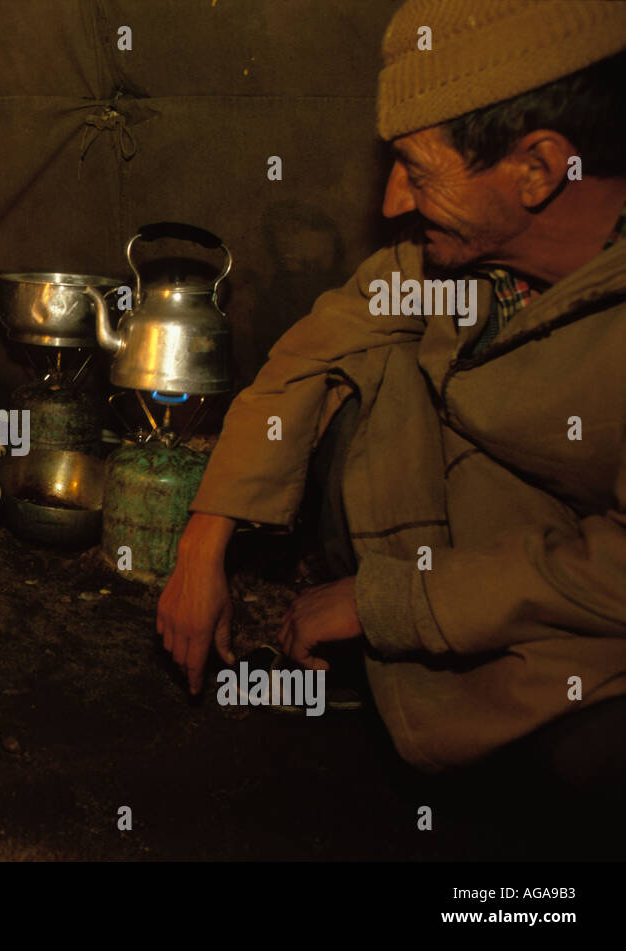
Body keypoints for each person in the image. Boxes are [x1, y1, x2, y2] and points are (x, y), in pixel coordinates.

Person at [157, 0, 626, 781]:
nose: (392, 203)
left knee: (585, 749)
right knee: (362, 365)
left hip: (576, 590)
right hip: (492, 542)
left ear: (538, 170)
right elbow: (315, 348)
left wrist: (384, 603)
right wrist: (203, 542)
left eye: (418, 170)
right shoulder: (454, 268)